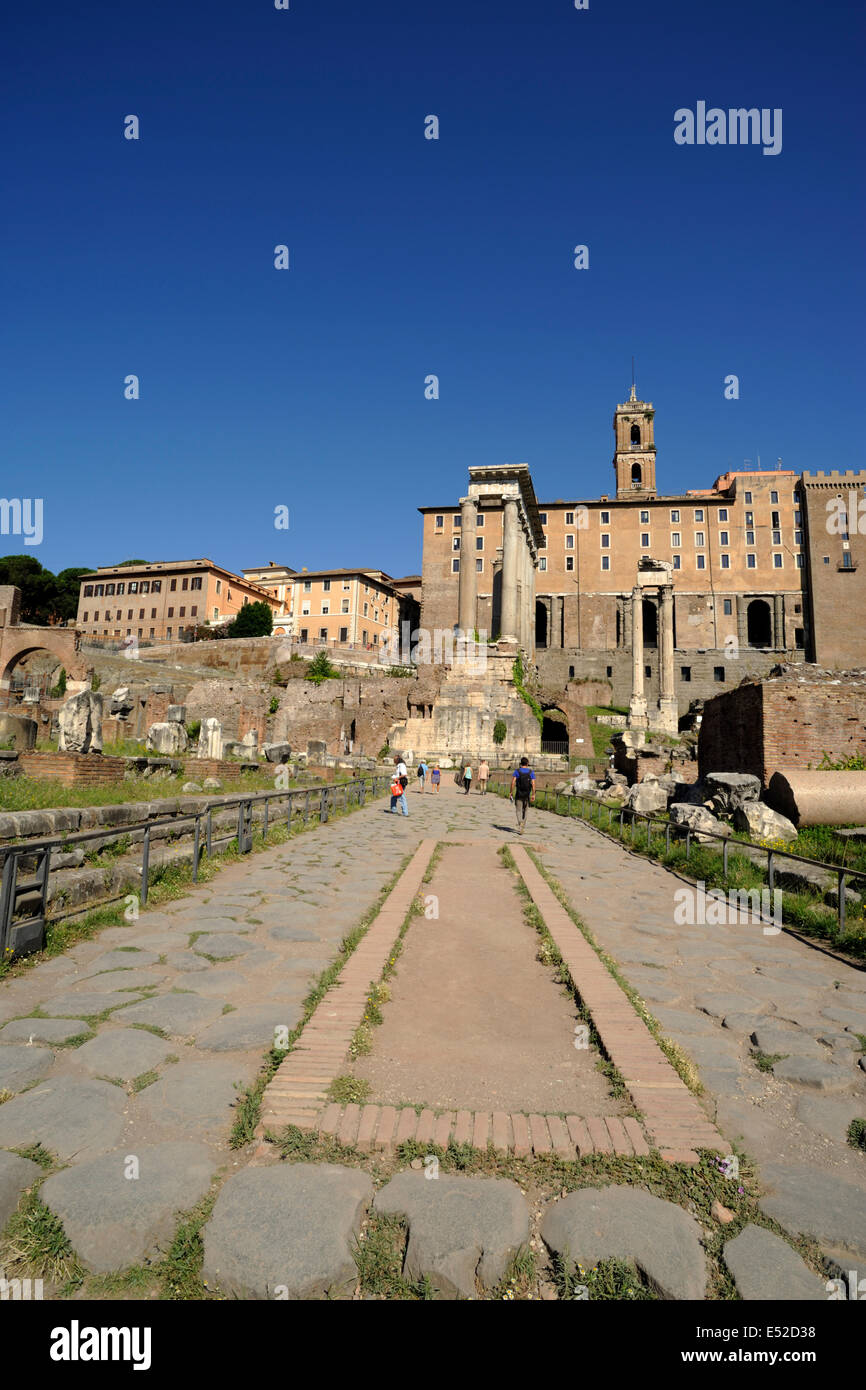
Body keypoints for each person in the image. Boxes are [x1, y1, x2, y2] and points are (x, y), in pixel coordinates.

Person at [509, 756, 535, 834]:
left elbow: (513, 782)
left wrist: (511, 792)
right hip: (527, 794)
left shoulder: (517, 771)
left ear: (521, 763)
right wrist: (533, 794)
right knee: (526, 810)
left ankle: (520, 823)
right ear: (527, 763)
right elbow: (533, 784)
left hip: (519, 793)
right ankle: (523, 823)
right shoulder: (531, 772)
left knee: (518, 810)